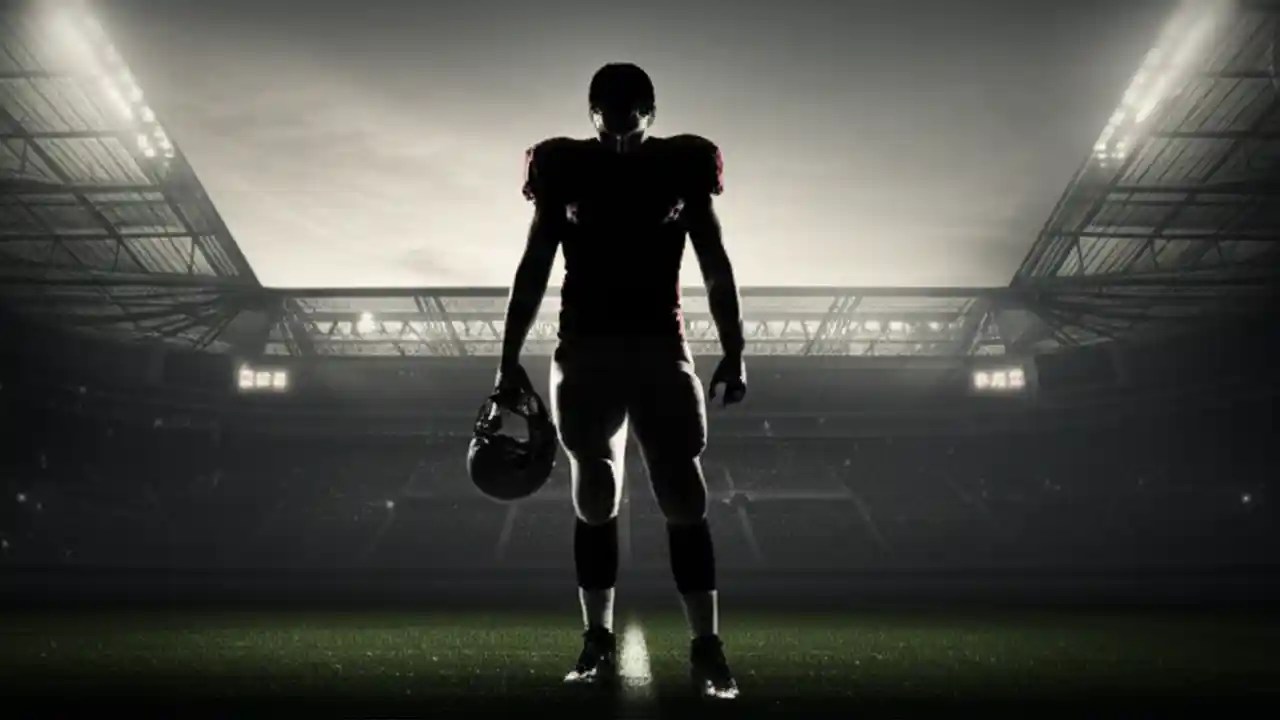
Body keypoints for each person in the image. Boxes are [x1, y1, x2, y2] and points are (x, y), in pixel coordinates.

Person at [493, 62, 746, 699]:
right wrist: (506, 357)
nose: (620, 113)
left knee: (683, 494)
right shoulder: (562, 167)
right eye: (609, 102)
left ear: (652, 109)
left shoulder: (680, 166)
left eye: (629, 102)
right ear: (591, 109)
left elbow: (714, 264)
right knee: (596, 494)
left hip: (661, 343)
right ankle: (598, 641)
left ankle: (706, 647)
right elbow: (533, 269)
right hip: (587, 346)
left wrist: (736, 348)